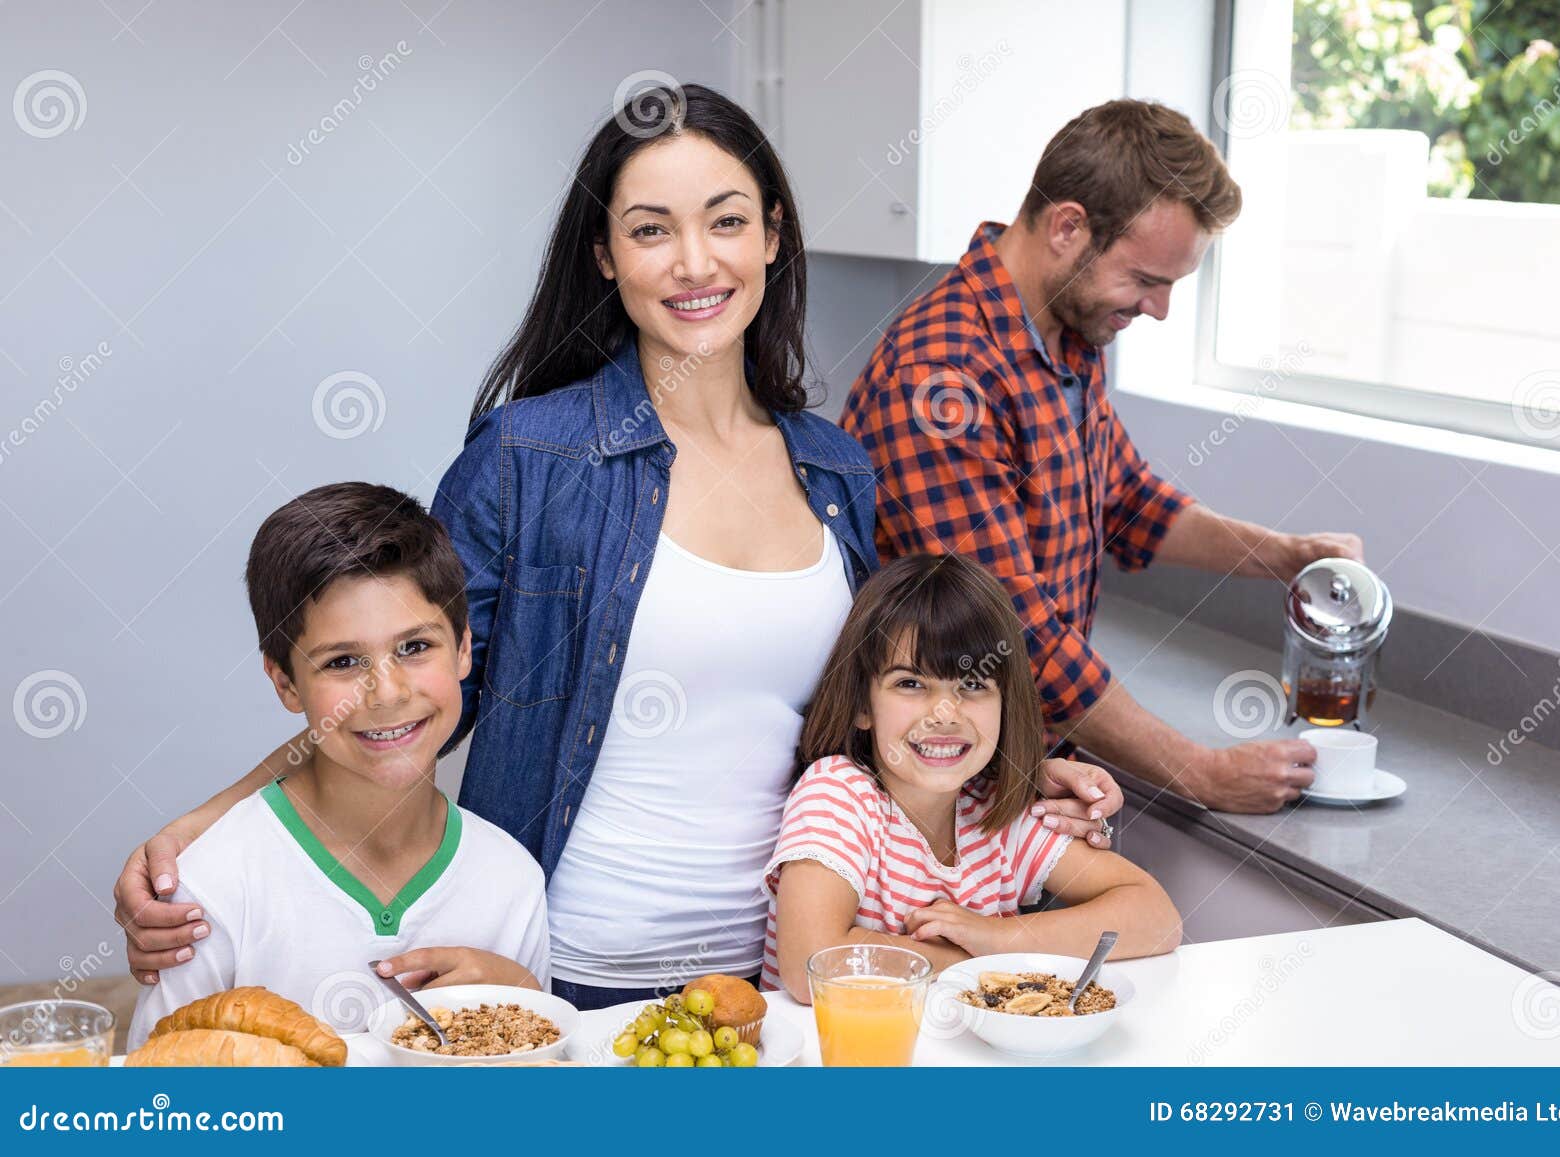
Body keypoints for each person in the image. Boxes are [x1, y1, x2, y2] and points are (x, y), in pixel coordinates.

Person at [111, 83, 1123, 1008]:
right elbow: (406, 680)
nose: (696, 262)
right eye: (651, 230)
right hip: (570, 965)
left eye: (726, 221)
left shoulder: (835, 471)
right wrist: (215, 822)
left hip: (788, 972)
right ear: (604, 254)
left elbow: (886, 704)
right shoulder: (528, 455)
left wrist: (1022, 773)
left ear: (771, 236)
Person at [844, 99, 1364, 815]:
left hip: (1018, 764)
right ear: (1067, 228)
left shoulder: (1067, 333)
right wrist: (1201, 772)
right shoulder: (945, 374)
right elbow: (1010, 634)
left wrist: (1283, 556)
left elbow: (1127, 500)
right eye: (1148, 280)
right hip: (930, 788)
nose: (1159, 309)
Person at [126, 483, 549, 1047]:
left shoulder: (511, 880)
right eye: (343, 661)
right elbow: (157, 1104)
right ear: (285, 683)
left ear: (465, 647)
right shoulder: (213, 887)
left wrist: (525, 1001)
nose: (386, 691)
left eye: (415, 647)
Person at [764, 553, 1181, 999]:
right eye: (910, 684)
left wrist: (998, 937)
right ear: (864, 706)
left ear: (1006, 705)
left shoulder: (999, 815)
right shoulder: (838, 793)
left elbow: (1158, 919)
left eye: (973, 686)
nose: (944, 714)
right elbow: (812, 964)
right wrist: (973, 960)